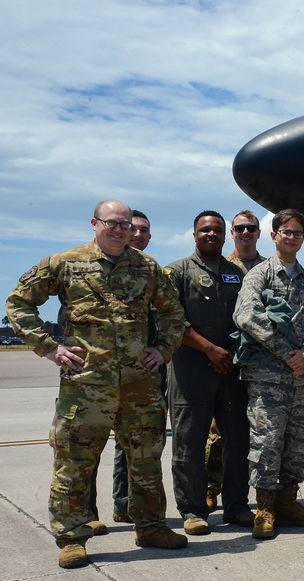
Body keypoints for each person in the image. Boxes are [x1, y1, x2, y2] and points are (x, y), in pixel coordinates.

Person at [5, 200, 188, 569]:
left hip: (139, 384)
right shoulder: (64, 263)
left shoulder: (148, 267)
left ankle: (150, 527)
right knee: (74, 462)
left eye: (126, 224)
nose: (121, 230)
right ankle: (72, 536)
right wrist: (49, 347)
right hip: (87, 385)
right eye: (112, 223)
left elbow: (173, 312)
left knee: (146, 460)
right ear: (94, 223)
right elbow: (18, 303)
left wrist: (163, 349)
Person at [233, 209, 304, 540]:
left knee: (300, 440)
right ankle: (265, 507)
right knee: (268, 441)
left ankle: (288, 502)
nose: (292, 237)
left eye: (298, 233)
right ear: (273, 236)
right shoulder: (259, 275)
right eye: (286, 232)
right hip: (269, 377)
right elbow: (247, 315)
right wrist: (285, 352)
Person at [165, 210, 253, 535]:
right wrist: (209, 350)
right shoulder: (176, 272)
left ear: (225, 235)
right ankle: (192, 510)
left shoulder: (237, 274)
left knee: (238, 440)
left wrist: (228, 353)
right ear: (194, 235)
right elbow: (172, 321)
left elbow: (248, 317)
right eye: (205, 230)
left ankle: (237, 505)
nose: (211, 235)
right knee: (189, 442)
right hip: (191, 373)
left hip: (231, 370)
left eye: (217, 230)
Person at [89, 208, 155, 530]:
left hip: (142, 375)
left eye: (142, 230)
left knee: (134, 448)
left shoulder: (153, 273)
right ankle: (87, 515)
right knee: (87, 448)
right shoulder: (87, 269)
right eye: (133, 228)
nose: (136, 234)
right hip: (93, 377)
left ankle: (124, 505)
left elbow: (169, 319)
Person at [206, 208, 269, 511]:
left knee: (251, 430)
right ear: (232, 233)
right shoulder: (218, 265)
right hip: (223, 359)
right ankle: (210, 487)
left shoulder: (269, 268)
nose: (246, 233)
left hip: (257, 360)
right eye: (240, 228)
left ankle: (245, 492)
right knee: (217, 433)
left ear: (259, 233)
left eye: (251, 228)